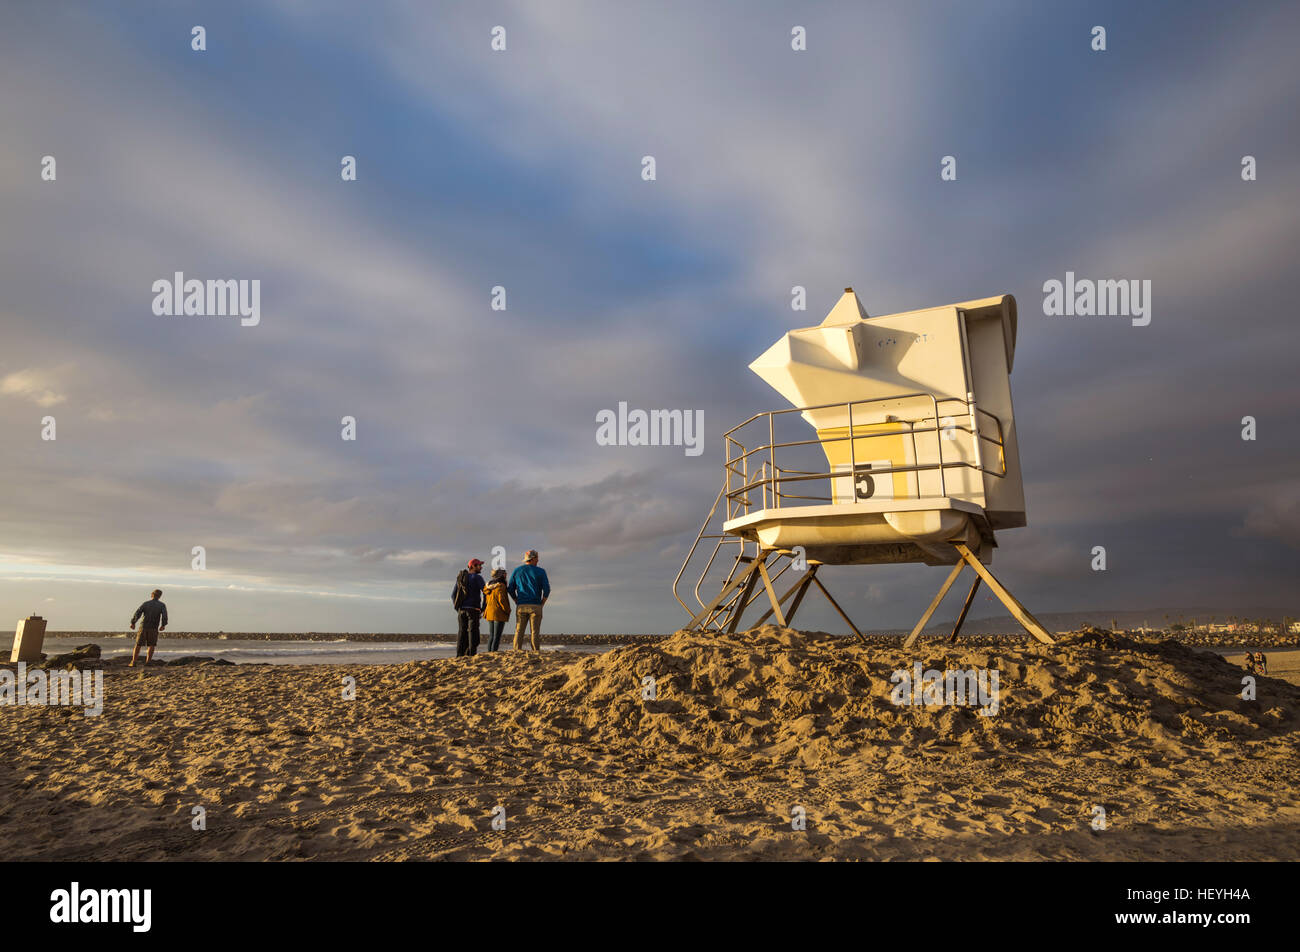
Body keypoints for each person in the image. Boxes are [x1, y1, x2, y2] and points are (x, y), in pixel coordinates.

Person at [508, 549, 550, 651]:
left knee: (519, 630)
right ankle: (535, 651)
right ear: (533, 559)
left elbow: (510, 588)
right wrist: (542, 603)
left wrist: (515, 600)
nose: (538, 560)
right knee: (535, 631)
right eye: (537, 558)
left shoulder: (517, 571)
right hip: (535, 605)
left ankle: (516, 651)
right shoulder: (541, 571)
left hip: (521, 604)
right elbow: (547, 590)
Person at [452, 558, 486, 657]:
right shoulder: (477, 578)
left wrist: (458, 608)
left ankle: (459, 655)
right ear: (473, 566)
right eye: (479, 565)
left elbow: (453, 595)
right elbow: (486, 593)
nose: (481, 567)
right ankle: (471, 654)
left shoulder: (462, 578)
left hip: (461, 610)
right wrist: (483, 608)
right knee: (473, 633)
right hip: (473, 609)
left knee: (462, 633)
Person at [129, 589, 168, 667]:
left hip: (143, 626)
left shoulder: (146, 603)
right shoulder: (162, 605)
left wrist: (133, 623)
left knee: (138, 645)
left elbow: (138, 613)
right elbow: (164, 616)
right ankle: (148, 662)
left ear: (152, 594)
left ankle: (134, 662)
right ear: (160, 596)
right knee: (151, 645)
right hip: (154, 627)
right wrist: (163, 625)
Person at [483, 568, 511, 652]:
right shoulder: (500, 585)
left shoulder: (488, 586)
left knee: (492, 635)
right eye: (504, 573)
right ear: (501, 575)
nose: (506, 575)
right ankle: (493, 652)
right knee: (497, 636)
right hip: (498, 613)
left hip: (489, 612)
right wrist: (507, 610)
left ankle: (489, 652)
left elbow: (486, 600)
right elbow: (502, 600)